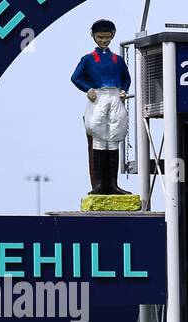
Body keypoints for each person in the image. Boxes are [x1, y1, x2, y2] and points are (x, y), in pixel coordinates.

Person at [71, 19, 132, 196]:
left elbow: (126, 78)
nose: (103, 41)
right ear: (94, 37)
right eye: (100, 37)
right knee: (98, 136)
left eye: (106, 37)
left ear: (112, 36)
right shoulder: (88, 59)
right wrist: (88, 89)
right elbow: (76, 77)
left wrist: (123, 90)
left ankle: (113, 184)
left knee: (114, 137)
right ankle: (98, 184)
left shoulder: (118, 60)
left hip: (115, 96)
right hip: (98, 97)